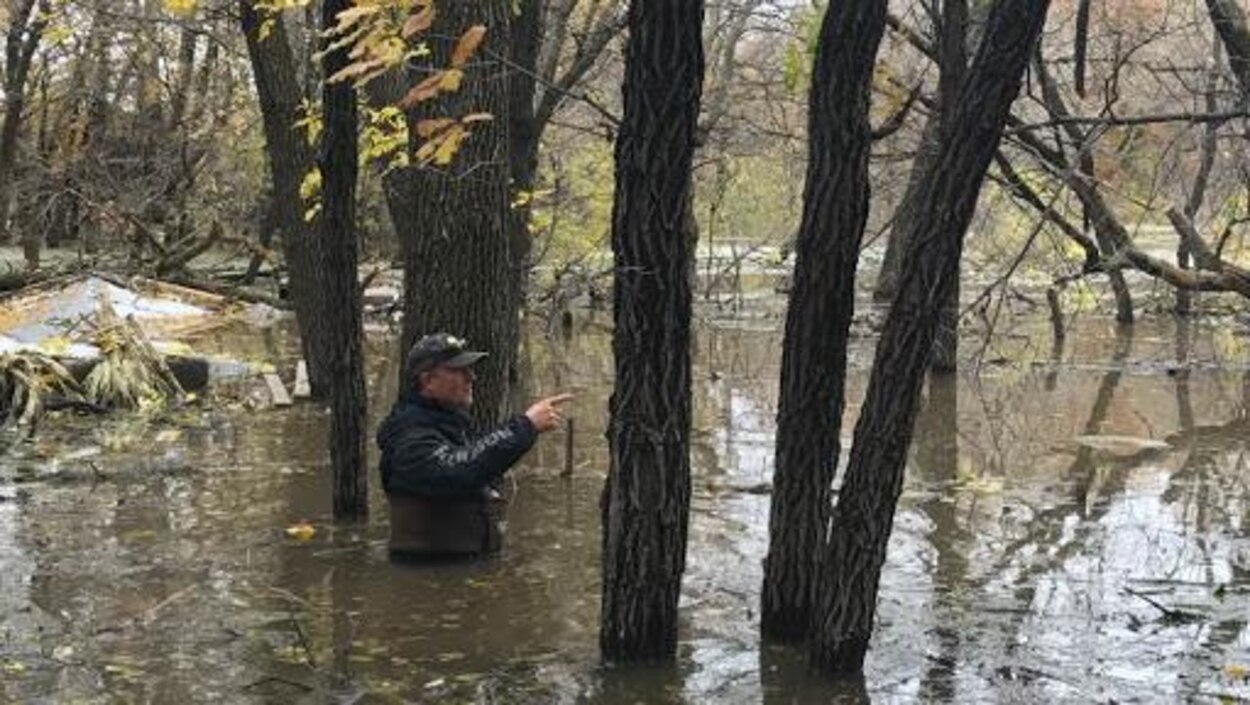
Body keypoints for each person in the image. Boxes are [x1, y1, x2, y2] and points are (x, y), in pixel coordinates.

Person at [377, 332, 571, 560]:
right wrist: (525, 426)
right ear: (428, 381)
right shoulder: (410, 440)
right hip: (433, 578)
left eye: (469, 369)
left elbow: (476, 459)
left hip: (463, 573)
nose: (472, 377)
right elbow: (460, 470)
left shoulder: (448, 426)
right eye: (458, 370)